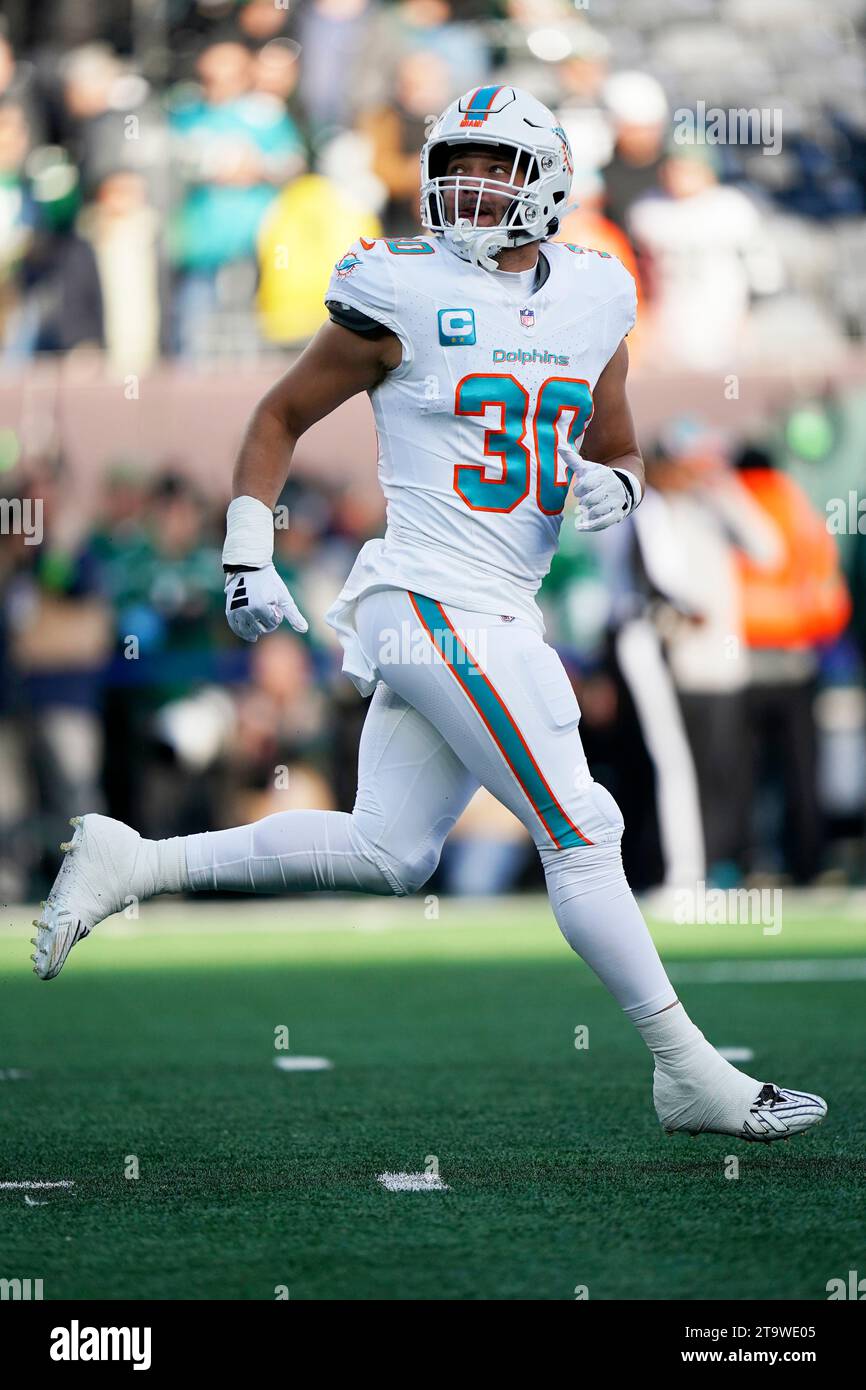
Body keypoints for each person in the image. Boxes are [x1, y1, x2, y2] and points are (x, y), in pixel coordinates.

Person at [32, 85, 825, 1145]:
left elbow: (618, 444)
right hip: (428, 600)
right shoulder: (397, 286)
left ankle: (135, 862)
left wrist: (619, 488)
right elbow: (279, 415)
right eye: (455, 160)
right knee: (582, 828)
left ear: (544, 177)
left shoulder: (594, 292)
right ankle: (687, 1070)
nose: (468, 183)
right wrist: (247, 545)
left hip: (496, 606)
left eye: (494, 164)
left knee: (389, 850)